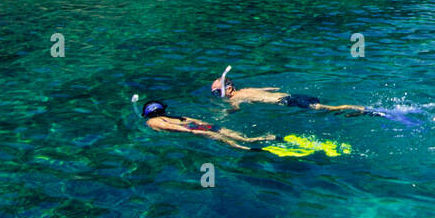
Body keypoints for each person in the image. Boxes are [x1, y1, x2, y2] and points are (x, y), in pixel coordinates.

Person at [211, 69, 382, 116]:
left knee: (329, 108)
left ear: (229, 89)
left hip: (287, 102)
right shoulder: (247, 90)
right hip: (289, 96)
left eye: (217, 93)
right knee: (324, 108)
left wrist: (224, 113)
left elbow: (236, 108)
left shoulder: (236, 97)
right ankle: (356, 109)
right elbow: (269, 89)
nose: (216, 96)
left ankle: (359, 109)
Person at [141, 100, 274, 150]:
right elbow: (195, 121)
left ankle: (244, 147)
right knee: (241, 136)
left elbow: (170, 127)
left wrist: (192, 132)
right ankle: (259, 138)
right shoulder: (172, 117)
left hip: (190, 129)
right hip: (198, 125)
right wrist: (207, 126)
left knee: (227, 141)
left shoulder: (152, 121)